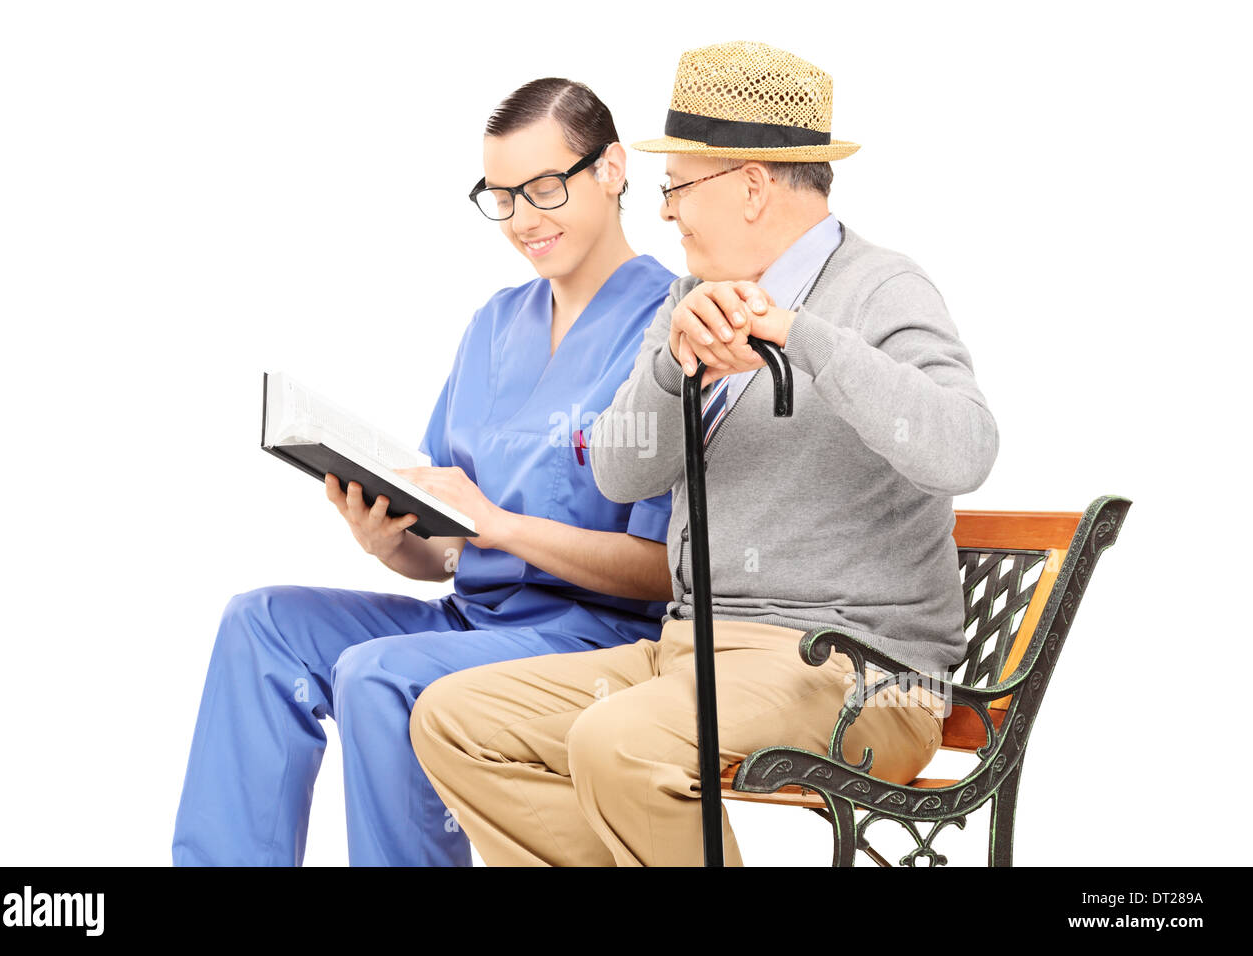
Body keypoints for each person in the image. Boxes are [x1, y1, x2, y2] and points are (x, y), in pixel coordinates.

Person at [409, 41, 1001, 866]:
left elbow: (965, 448)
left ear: (752, 186)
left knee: (620, 740)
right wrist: (671, 365)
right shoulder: (688, 301)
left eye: (676, 187)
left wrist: (800, 336)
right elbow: (620, 471)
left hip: (858, 677)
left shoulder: (880, 288)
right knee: (456, 719)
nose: (664, 213)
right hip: (685, 657)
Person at [171, 77, 678, 866]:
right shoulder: (494, 325)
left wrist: (506, 529)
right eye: (502, 196)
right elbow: (449, 543)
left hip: (591, 639)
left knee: (380, 675)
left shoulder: (673, 327)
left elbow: (662, 573)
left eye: (545, 187)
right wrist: (390, 541)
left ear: (612, 169)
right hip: (469, 624)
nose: (524, 220)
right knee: (260, 621)